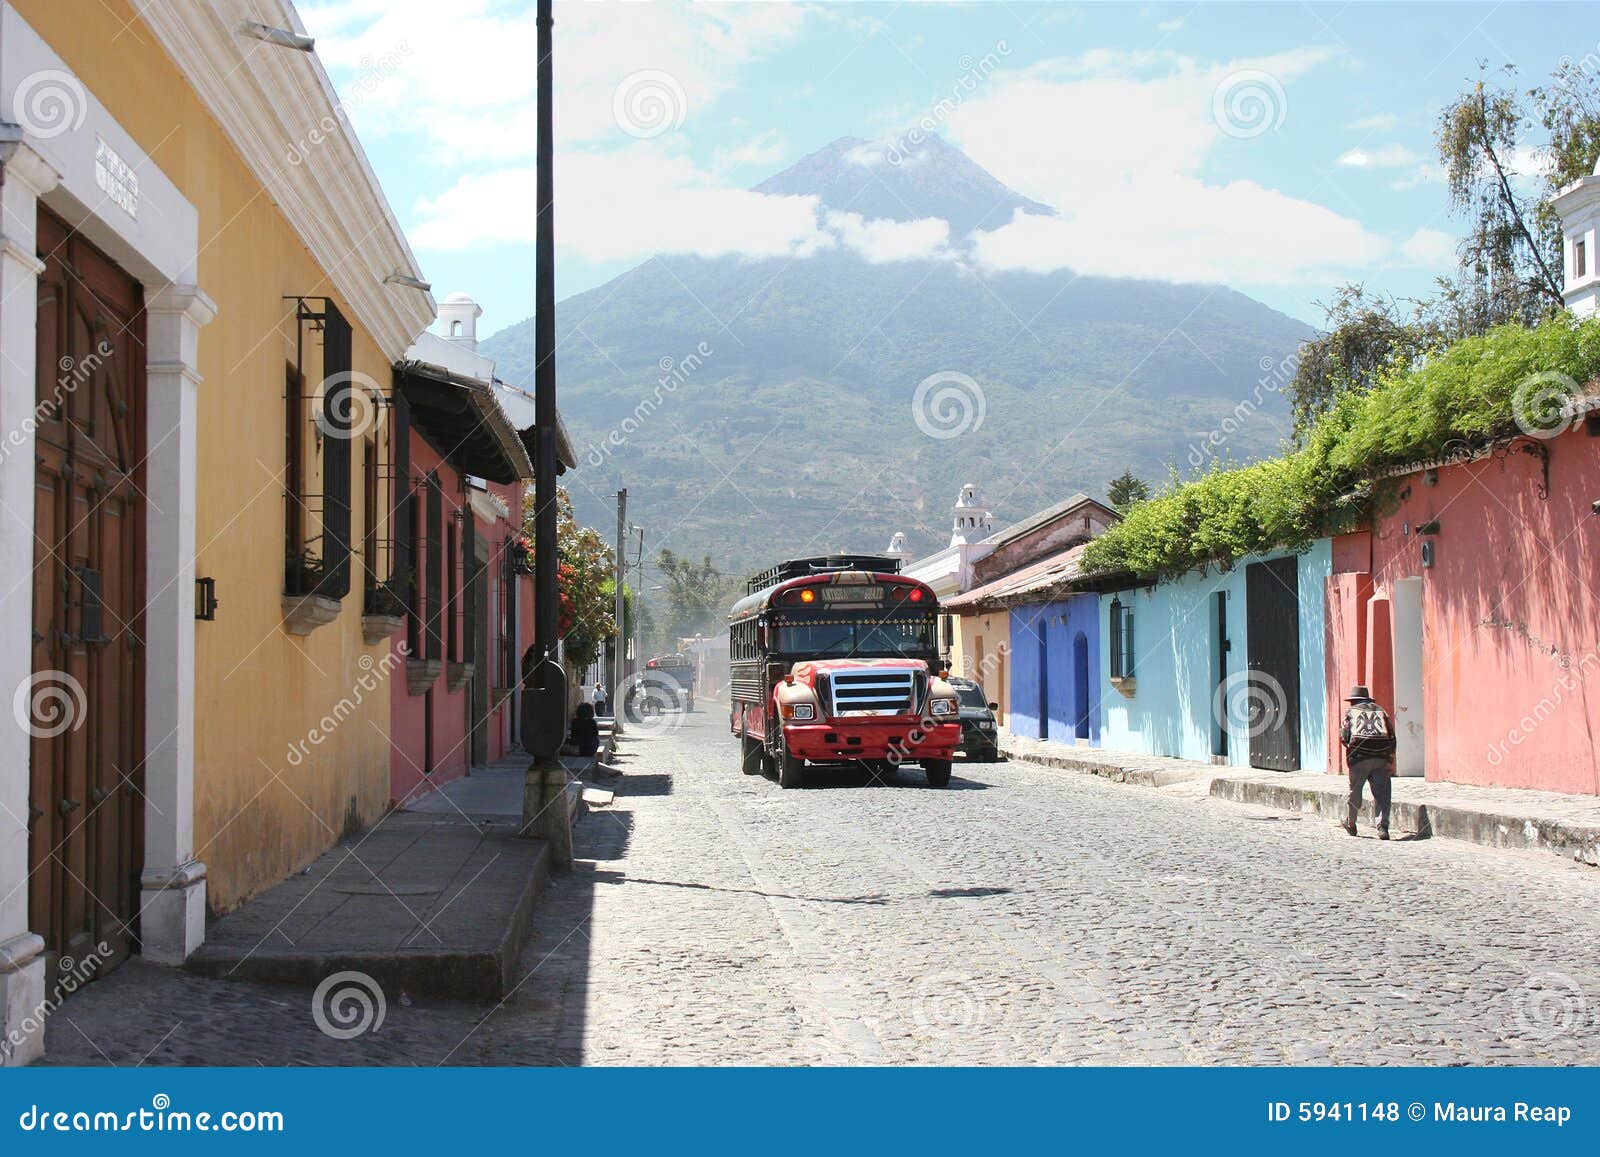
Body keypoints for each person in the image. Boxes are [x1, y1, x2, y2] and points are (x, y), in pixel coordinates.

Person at [1339, 684, 1396, 840]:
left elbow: (1344, 736)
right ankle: (1382, 827)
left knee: (1355, 791)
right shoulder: (1381, 711)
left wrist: (1352, 750)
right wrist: (1390, 757)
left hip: (1359, 758)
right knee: (1382, 792)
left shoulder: (1351, 712)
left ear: (1353, 701)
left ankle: (1351, 823)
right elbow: (1392, 736)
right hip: (1382, 756)